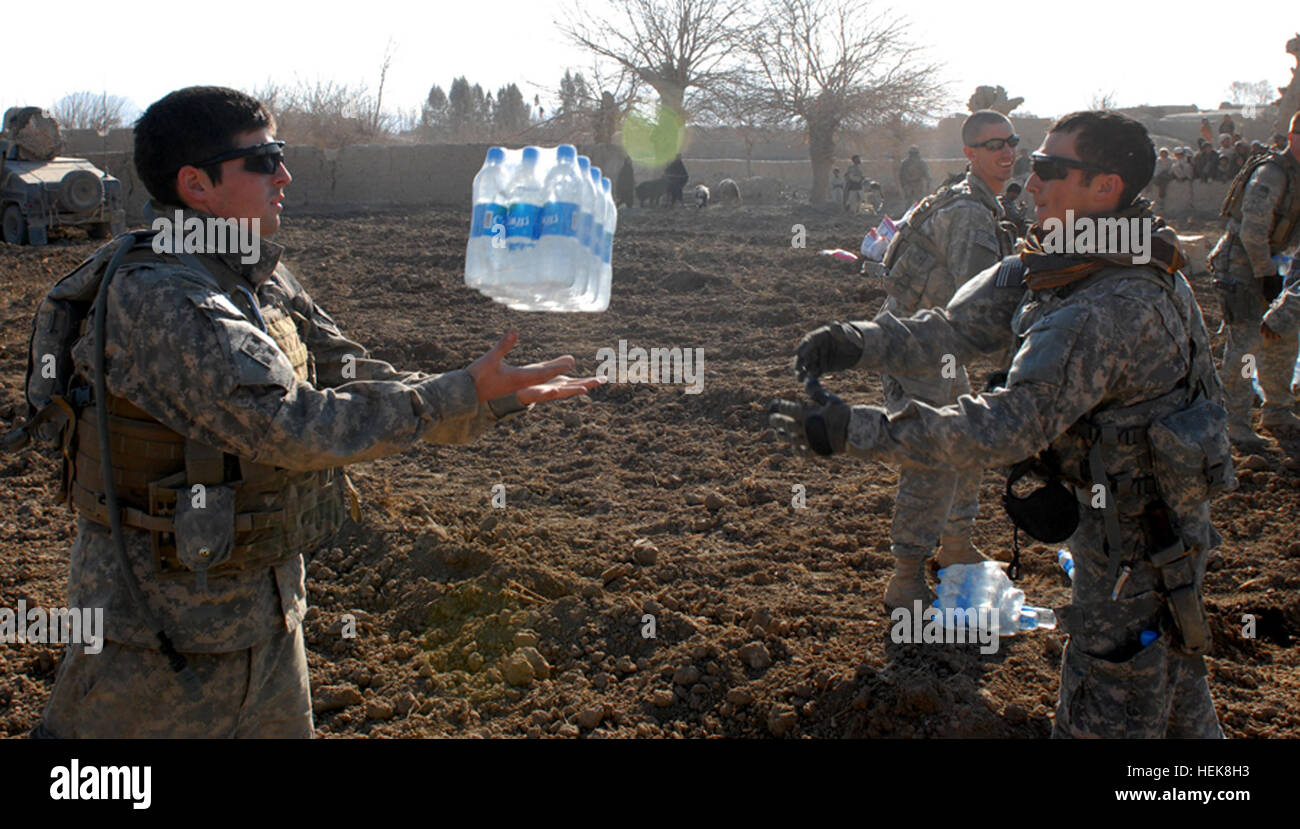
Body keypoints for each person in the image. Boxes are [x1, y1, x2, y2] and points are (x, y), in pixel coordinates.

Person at [25, 86, 602, 738]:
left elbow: (353, 373)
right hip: (152, 639)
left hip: (265, 617)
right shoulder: (160, 295)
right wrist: (454, 391)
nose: (285, 175)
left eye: (283, 155)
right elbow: (292, 424)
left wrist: (482, 396)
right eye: (264, 159)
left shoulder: (256, 275)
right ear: (196, 184)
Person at [774, 110, 1226, 738]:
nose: (1030, 182)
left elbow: (1004, 428)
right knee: (1178, 703)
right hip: (1128, 534)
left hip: (1141, 550)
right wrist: (857, 341)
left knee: (1111, 708)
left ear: (1106, 187)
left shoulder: (1110, 303)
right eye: (1030, 164)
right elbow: (960, 326)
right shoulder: (1070, 255)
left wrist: (852, 429)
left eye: (1048, 168)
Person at [853, 110, 1017, 609]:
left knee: (963, 442)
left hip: (938, 346)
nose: (1006, 152)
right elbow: (982, 298)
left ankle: (956, 547)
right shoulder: (969, 211)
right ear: (970, 153)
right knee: (930, 456)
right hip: (916, 346)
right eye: (993, 145)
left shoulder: (971, 200)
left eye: (1011, 142)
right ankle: (905, 579)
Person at [1209, 110, 1300, 448]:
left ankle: (1277, 408)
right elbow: (1253, 229)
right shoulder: (1272, 174)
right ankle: (1236, 422)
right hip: (1242, 265)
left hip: (1274, 264)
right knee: (1246, 346)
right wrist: (1264, 274)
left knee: (1282, 335)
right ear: (1292, 138)